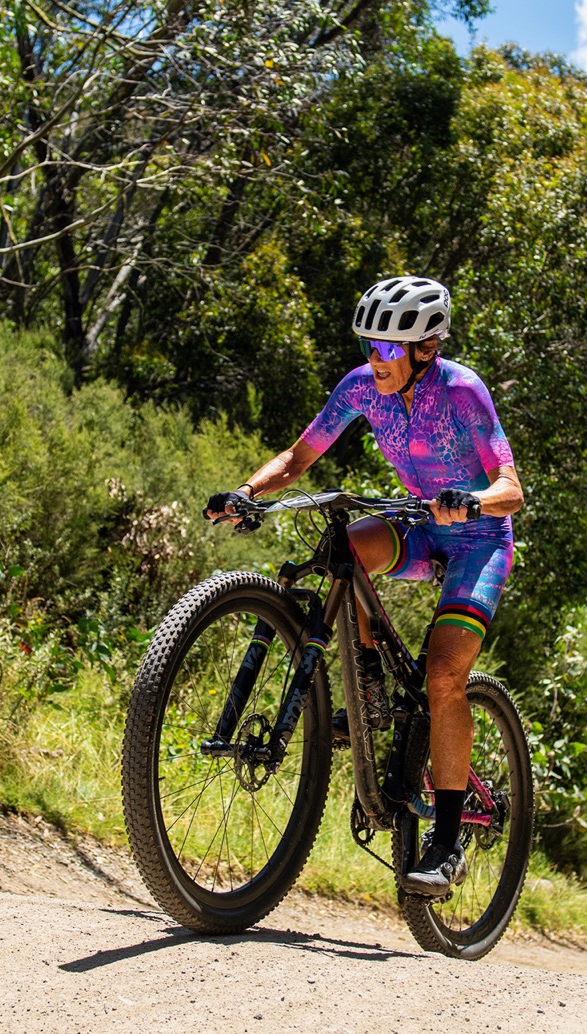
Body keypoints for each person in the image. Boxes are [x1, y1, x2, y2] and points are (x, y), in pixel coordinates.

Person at [204, 276, 523, 896]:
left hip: (479, 540)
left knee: (443, 677)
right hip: (419, 525)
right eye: (368, 346)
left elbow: (511, 490)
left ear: (425, 350)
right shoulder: (360, 387)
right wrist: (246, 492)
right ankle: (369, 686)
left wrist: (473, 500)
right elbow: (298, 458)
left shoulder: (462, 390)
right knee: (341, 549)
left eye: (388, 349)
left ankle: (447, 844)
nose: (375, 359)